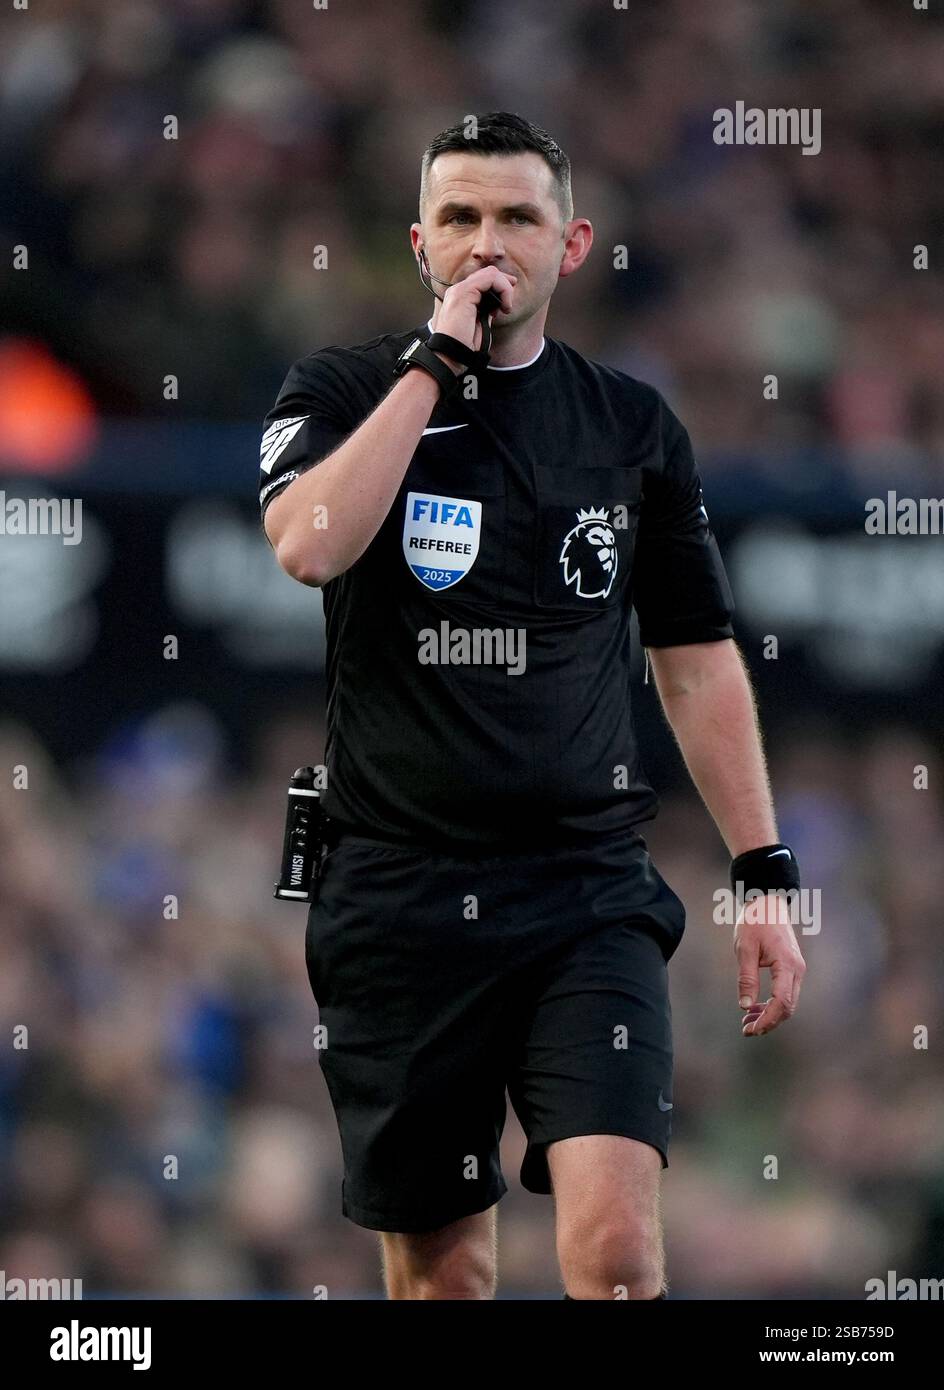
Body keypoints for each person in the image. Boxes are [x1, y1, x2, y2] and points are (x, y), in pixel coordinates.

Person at [258, 111, 806, 1300]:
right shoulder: (345, 386)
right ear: (418, 242)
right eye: (458, 219)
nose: (485, 247)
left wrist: (762, 869)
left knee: (615, 1258)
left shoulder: (630, 428)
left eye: (517, 217)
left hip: (580, 892)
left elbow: (696, 655)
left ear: (572, 245)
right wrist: (431, 370)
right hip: (397, 891)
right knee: (445, 1276)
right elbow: (308, 544)